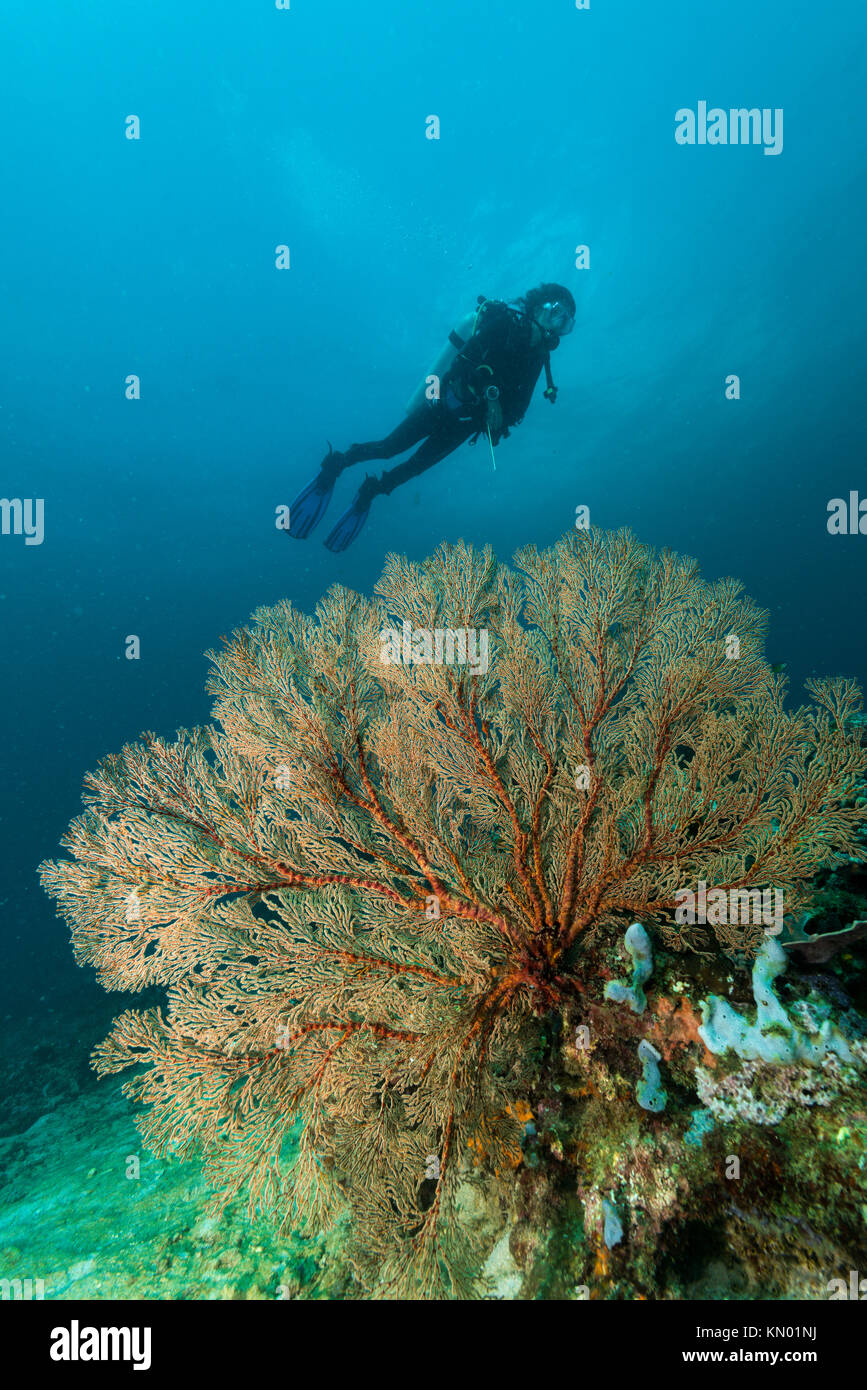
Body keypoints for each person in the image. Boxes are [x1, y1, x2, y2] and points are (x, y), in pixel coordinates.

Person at [288, 283, 576, 551]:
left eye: (566, 323)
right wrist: (489, 393)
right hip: (444, 405)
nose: (557, 325)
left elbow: (520, 406)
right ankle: (336, 464)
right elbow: (466, 357)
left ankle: (370, 492)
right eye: (556, 314)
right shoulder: (506, 324)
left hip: (465, 427)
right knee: (389, 448)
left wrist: (500, 424)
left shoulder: (538, 357)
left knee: (414, 468)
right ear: (539, 306)